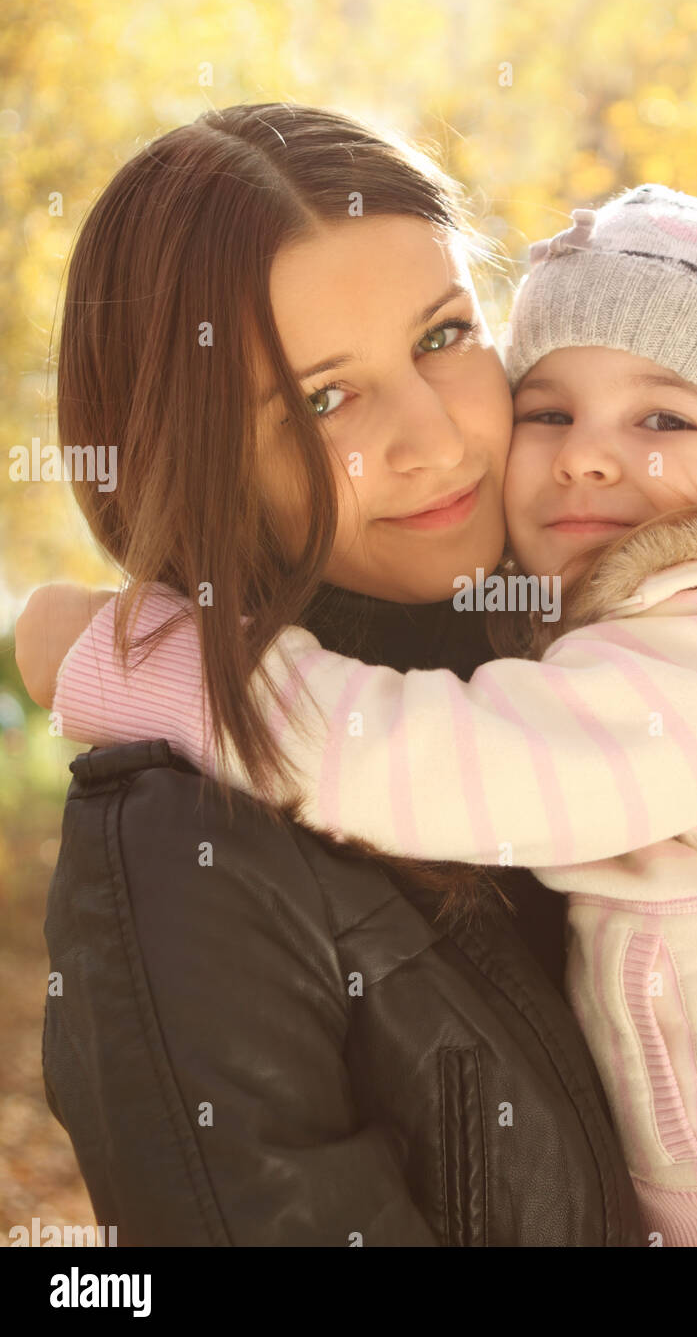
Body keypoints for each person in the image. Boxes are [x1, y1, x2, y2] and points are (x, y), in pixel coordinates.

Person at [24, 184, 697, 1247]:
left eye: (665, 418)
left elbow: (420, 762)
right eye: (551, 409)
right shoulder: (183, 847)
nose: (587, 454)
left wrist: (144, 657)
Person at [15, 101, 651, 1246]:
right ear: (193, 456)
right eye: (322, 398)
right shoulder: (183, 849)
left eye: (443, 335)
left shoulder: (617, 665)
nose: (438, 439)